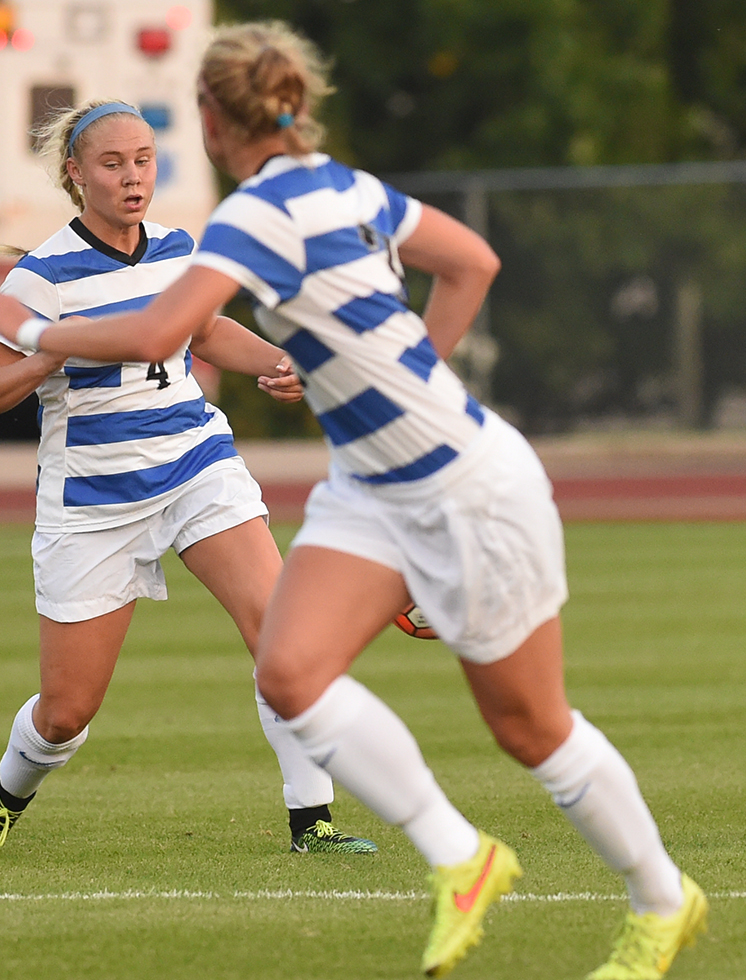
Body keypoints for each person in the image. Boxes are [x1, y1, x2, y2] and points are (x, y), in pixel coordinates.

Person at [0, 24, 704, 980]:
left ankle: (661, 899)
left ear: (209, 119)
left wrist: (29, 318)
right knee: (290, 670)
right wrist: (411, 369)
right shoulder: (347, 184)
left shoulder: (246, 218)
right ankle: (462, 857)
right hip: (362, 484)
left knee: (529, 725)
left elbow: (169, 329)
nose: (138, 171)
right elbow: (474, 265)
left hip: (456, 475)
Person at [0, 98, 376, 855]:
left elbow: (207, 332)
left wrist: (281, 360)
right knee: (67, 711)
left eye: (144, 159)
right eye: (113, 164)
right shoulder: (38, 280)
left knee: (283, 638)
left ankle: (314, 821)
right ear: (75, 174)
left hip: (197, 463)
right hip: (93, 497)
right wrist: (50, 353)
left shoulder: (178, 247)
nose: (133, 177)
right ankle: (8, 794)